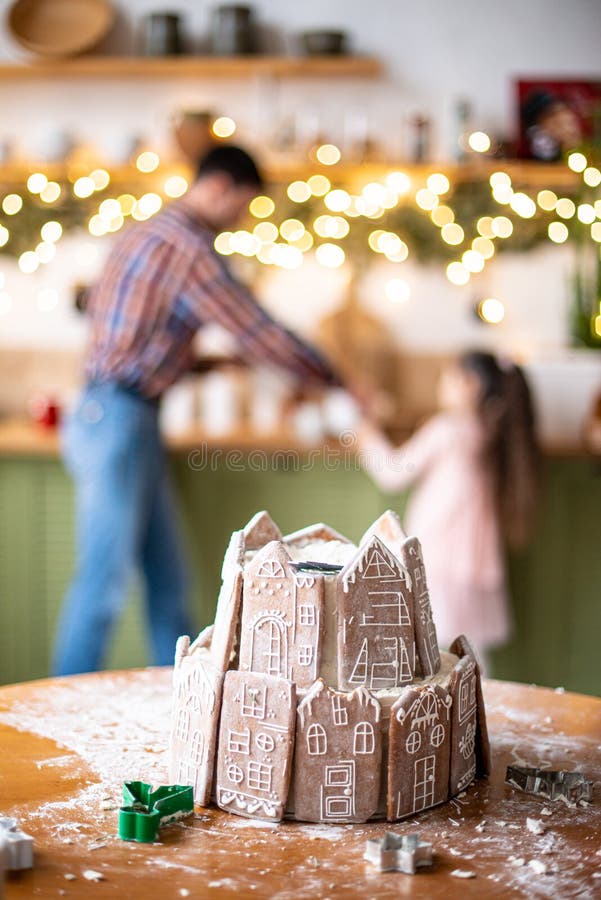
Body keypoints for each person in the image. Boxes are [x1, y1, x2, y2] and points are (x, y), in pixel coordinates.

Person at [53, 145, 341, 676]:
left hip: (120, 415)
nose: (240, 218)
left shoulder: (149, 233)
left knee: (168, 580)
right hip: (118, 418)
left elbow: (141, 340)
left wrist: (206, 366)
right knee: (104, 584)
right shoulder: (187, 247)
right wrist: (338, 380)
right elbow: (256, 329)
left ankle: (186, 700)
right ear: (217, 188)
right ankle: (59, 714)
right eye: (242, 205)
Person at [358, 351, 540, 669]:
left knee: (440, 651)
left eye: (447, 376)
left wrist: (366, 436)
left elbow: (394, 472)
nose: (441, 384)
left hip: (441, 557)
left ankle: (460, 711)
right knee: (467, 650)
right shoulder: (490, 432)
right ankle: (474, 708)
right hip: (471, 562)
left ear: (468, 384)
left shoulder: (448, 430)